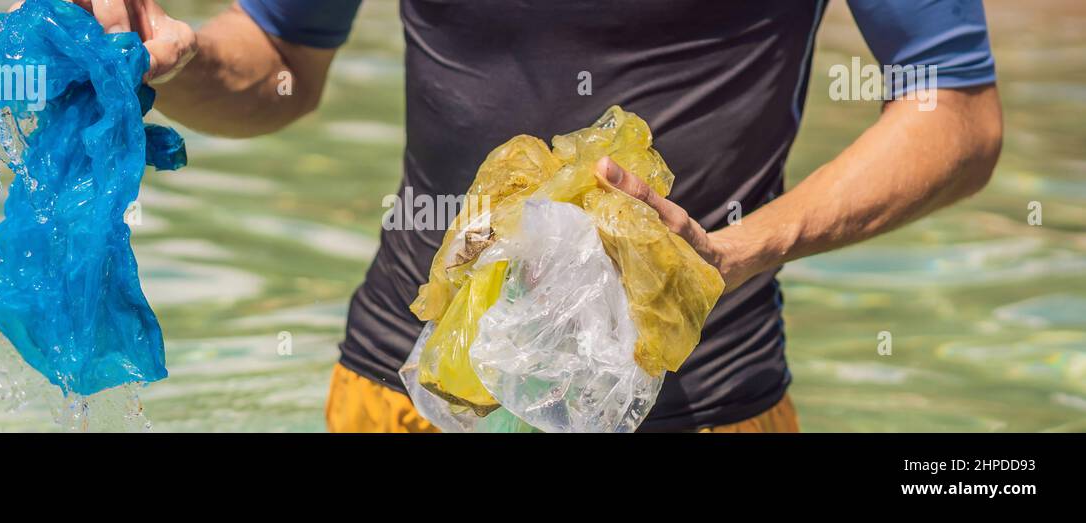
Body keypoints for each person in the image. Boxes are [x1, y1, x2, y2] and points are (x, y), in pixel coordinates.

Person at [56, 0, 1003, 432]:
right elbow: (280, 60)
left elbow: (956, 106)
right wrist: (167, 58)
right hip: (410, 393)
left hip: (699, 401)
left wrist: (738, 248)